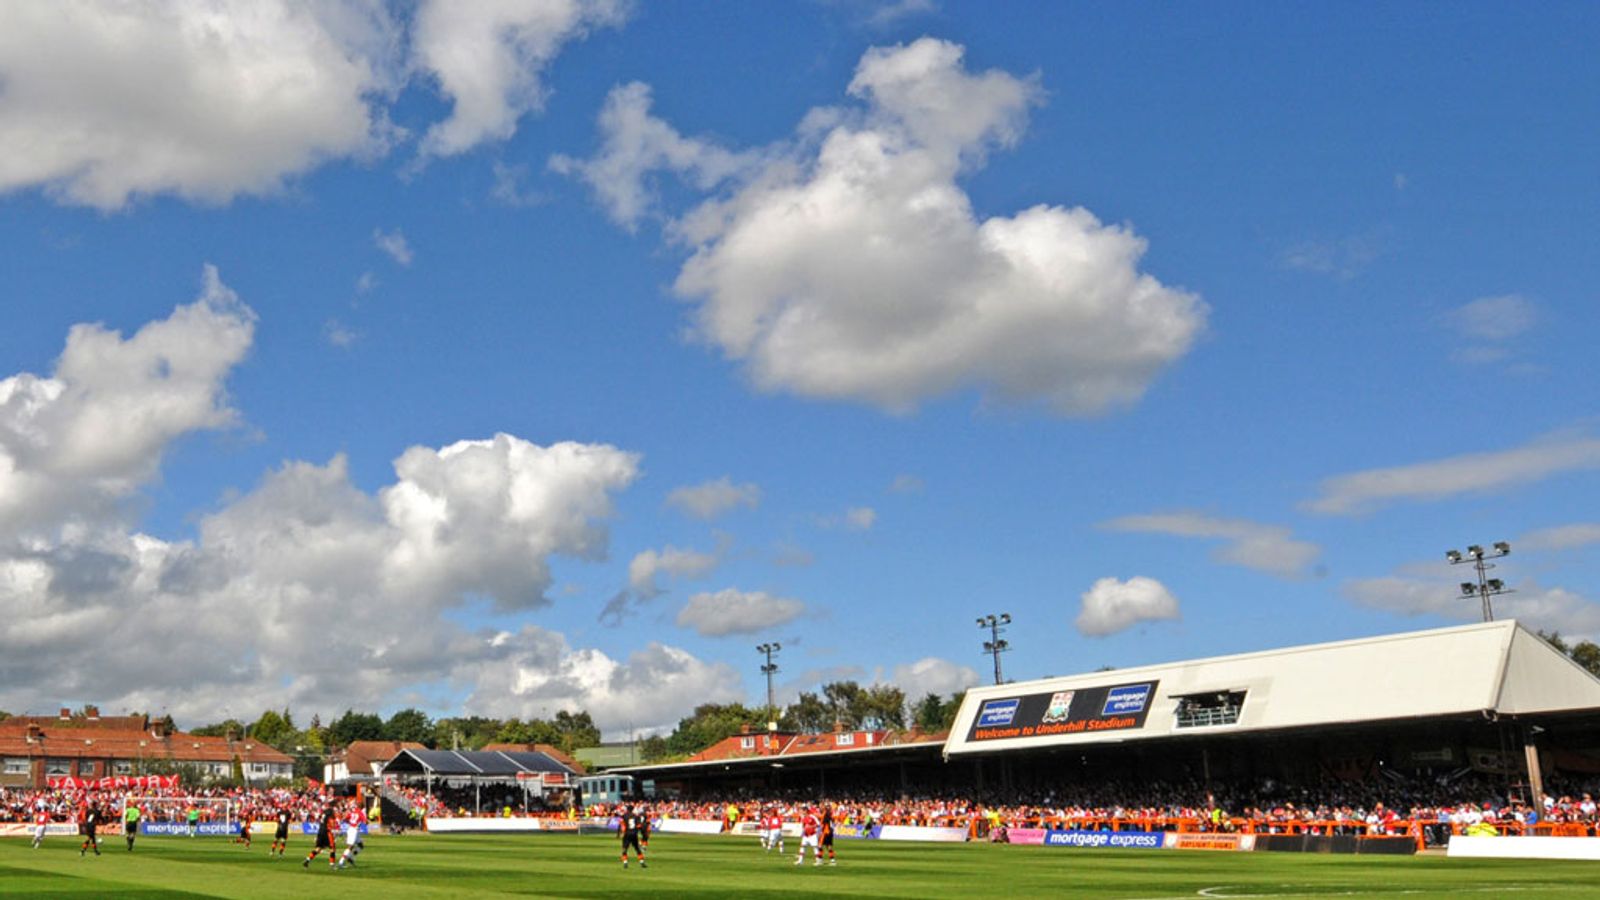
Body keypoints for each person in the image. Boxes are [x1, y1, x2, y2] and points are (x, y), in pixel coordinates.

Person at [337, 804, 366, 869]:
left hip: (353, 829)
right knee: (350, 846)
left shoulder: (353, 812)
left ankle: (351, 858)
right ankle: (341, 862)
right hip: (354, 830)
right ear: (362, 807)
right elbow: (365, 821)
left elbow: (345, 819)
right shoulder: (361, 813)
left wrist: (348, 822)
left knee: (361, 845)